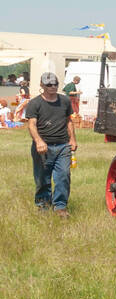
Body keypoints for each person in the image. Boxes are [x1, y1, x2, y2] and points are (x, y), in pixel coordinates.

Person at [23, 72, 77, 217]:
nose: (53, 87)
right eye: (49, 85)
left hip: (63, 146)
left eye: (55, 84)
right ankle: (44, 205)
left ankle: (60, 207)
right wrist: (39, 141)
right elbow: (31, 125)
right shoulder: (35, 103)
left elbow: (69, 121)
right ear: (42, 85)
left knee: (63, 176)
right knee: (42, 178)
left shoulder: (65, 101)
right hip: (43, 147)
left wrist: (72, 139)